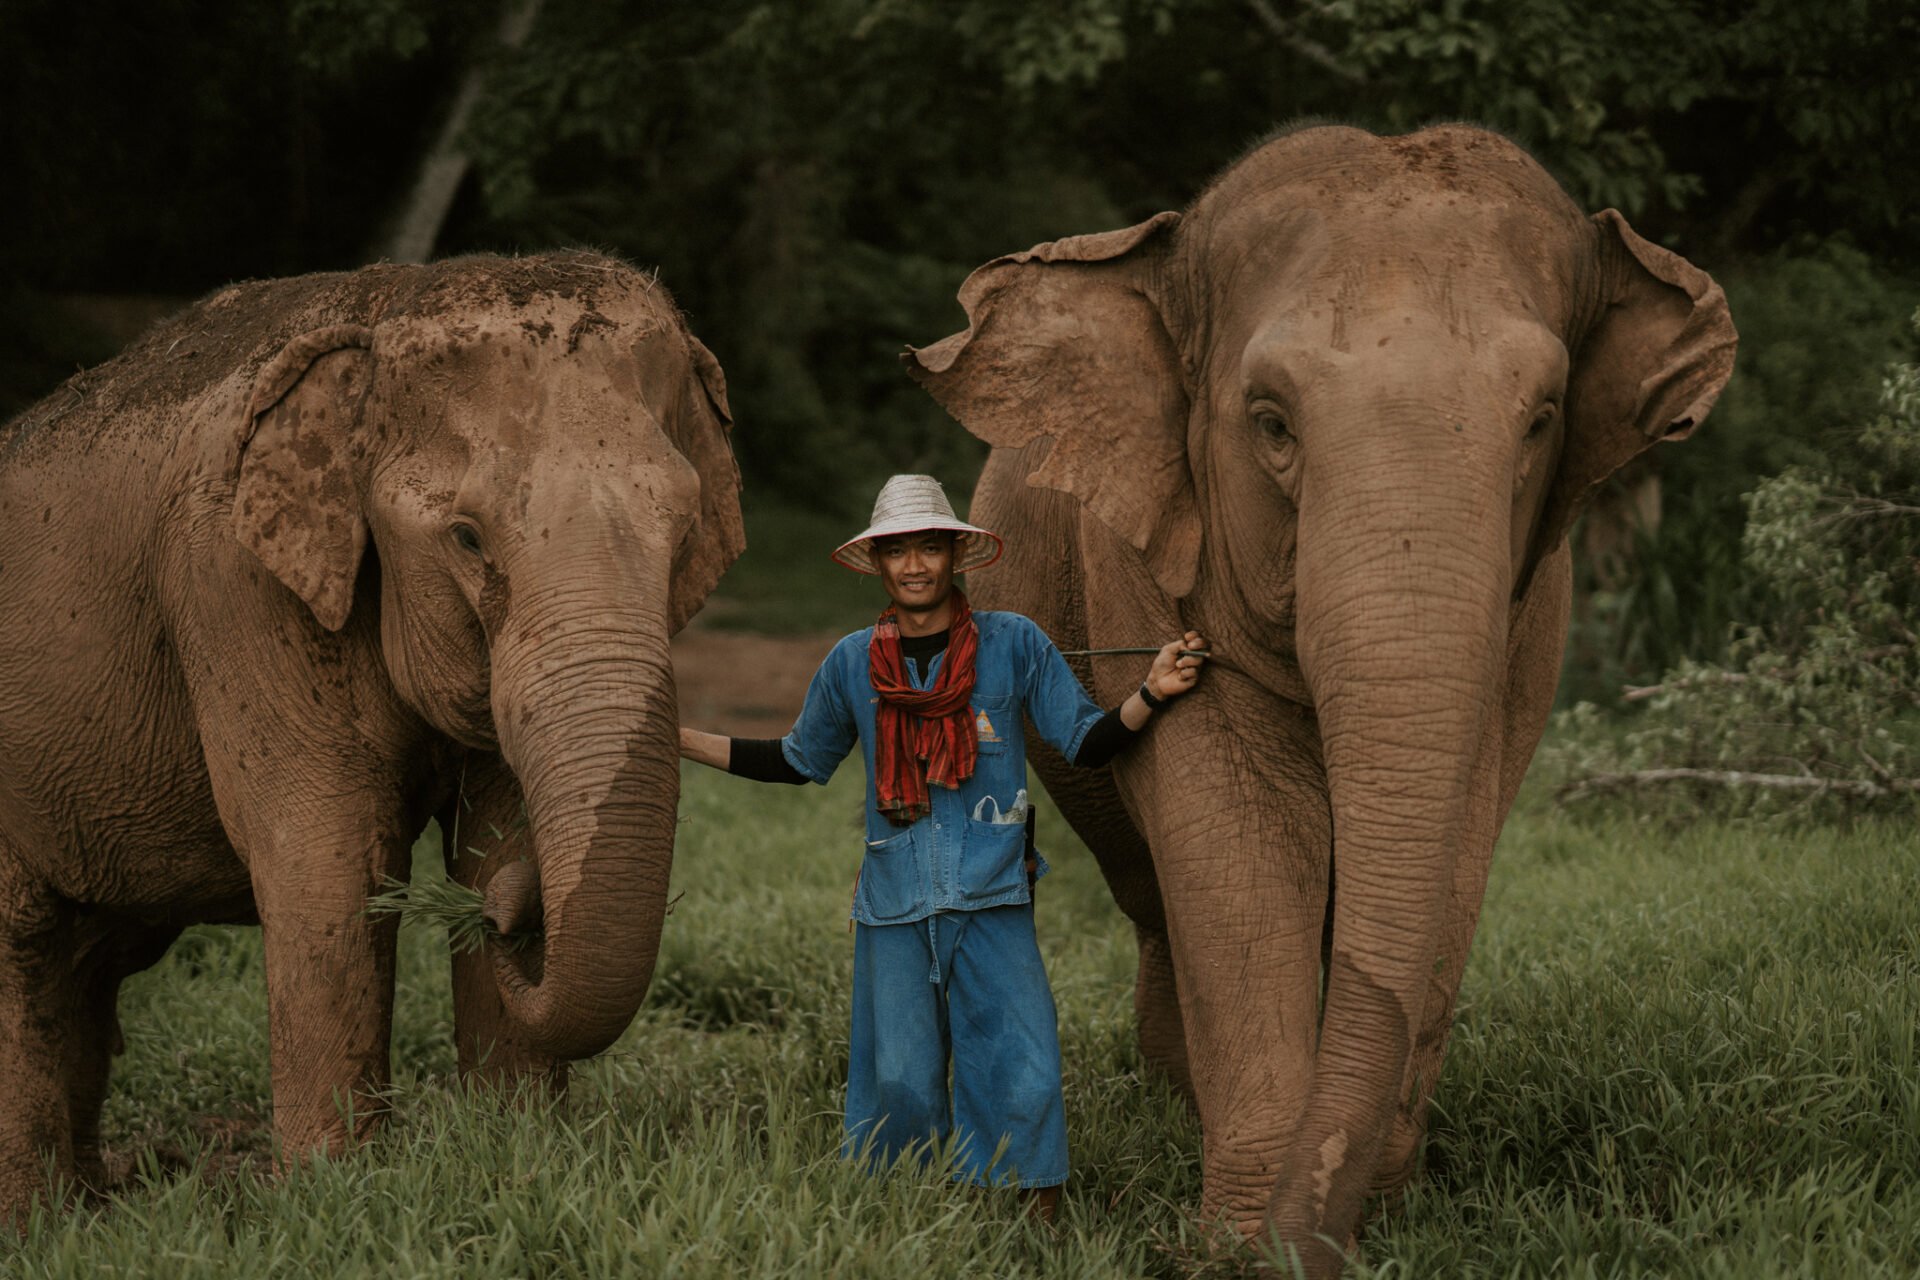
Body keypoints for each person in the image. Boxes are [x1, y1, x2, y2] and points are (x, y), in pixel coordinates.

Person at [677, 474, 1205, 1221]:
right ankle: (907, 1223)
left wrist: (1150, 692)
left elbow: (1086, 741)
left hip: (993, 892)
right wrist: (675, 738)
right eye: (898, 551)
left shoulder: (1016, 643)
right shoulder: (851, 662)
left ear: (957, 555)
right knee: (898, 1080)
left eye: (930, 546)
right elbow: (798, 760)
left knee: (1022, 1068)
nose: (915, 564)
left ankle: (1033, 1227)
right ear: (878, 566)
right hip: (892, 903)